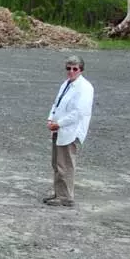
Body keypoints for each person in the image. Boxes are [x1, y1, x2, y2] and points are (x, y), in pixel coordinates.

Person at [45, 56, 94, 207]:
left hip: (70, 130)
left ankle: (66, 196)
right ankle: (59, 192)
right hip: (58, 128)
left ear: (81, 70)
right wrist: (50, 118)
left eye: (75, 69)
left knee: (65, 163)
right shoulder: (66, 84)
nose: (71, 71)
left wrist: (59, 124)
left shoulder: (85, 87)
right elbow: (57, 103)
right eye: (68, 68)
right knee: (57, 163)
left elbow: (78, 112)